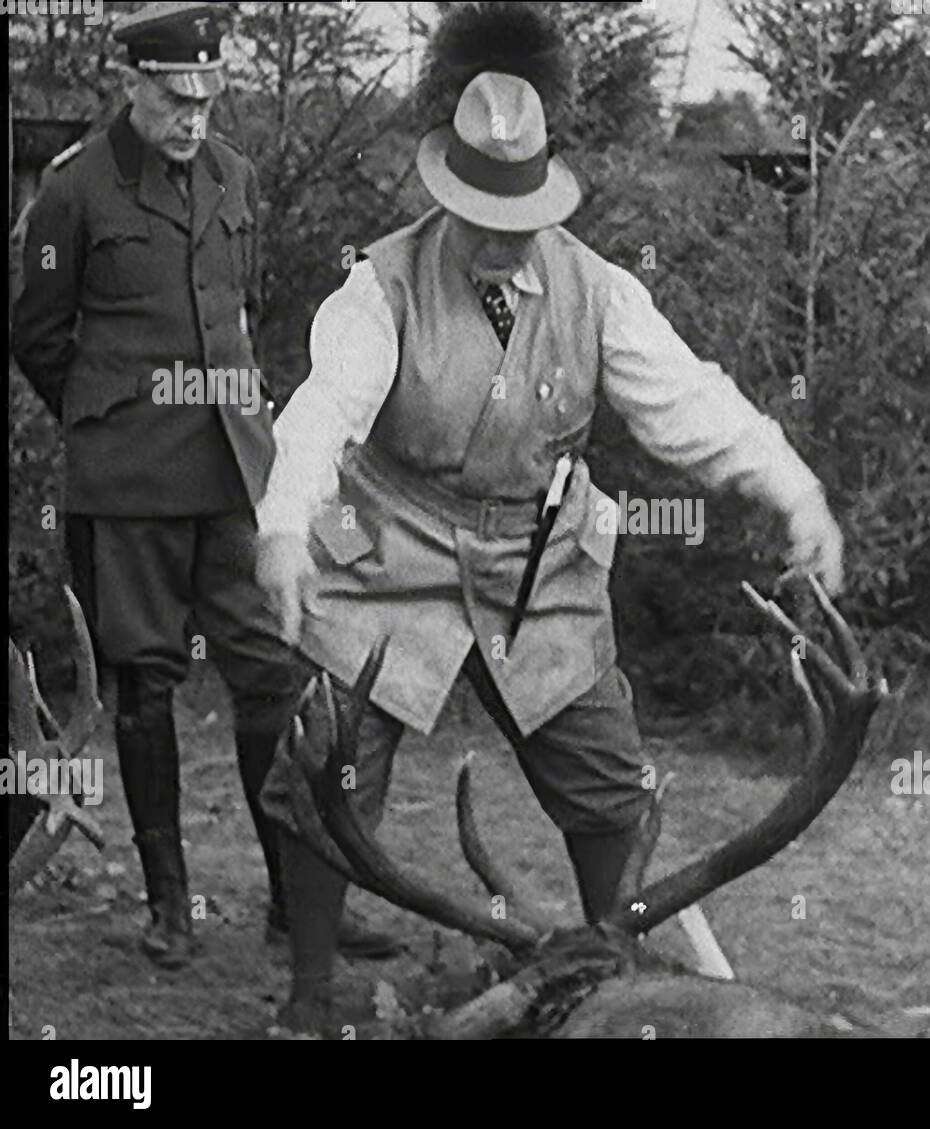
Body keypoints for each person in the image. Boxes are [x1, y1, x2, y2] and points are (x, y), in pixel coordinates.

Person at [255, 67, 846, 1032]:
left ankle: (609, 971)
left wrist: (797, 491)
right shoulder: (380, 288)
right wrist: (285, 526)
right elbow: (322, 414)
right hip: (387, 541)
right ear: (445, 196)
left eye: (516, 216)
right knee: (332, 765)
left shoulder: (598, 291)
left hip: (536, 555)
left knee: (608, 781)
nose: (499, 238)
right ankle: (309, 995)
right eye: (479, 215)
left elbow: (691, 406)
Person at [11, 1, 396, 970]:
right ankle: (170, 905)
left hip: (234, 476)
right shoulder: (72, 192)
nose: (193, 117)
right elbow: (37, 333)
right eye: (176, 98)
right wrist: (108, 417)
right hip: (126, 487)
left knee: (273, 675)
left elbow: (244, 304)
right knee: (146, 688)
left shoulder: (235, 177)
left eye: (206, 98)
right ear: (132, 83)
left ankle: (290, 895)